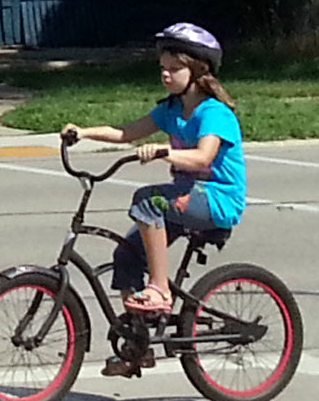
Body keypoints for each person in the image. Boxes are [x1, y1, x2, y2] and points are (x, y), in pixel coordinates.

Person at [60, 22, 245, 372]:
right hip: (186, 197)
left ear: (198, 70)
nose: (165, 74)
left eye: (174, 68)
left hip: (217, 199)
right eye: (162, 67)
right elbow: (127, 132)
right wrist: (82, 133)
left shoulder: (214, 113)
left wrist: (164, 152)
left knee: (148, 200)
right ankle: (139, 346)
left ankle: (160, 289)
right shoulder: (171, 109)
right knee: (127, 256)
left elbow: (203, 157)